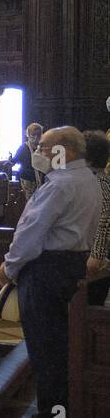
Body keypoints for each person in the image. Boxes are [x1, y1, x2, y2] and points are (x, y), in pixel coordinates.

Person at [0, 126, 101, 418]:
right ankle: (60, 417)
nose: (39, 153)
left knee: (47, 351)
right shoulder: (88, 179)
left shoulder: (60, 185)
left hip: (47, 271)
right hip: (72, 265)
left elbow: (31, 233)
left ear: (66, 150)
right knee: (59, 346)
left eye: (44, 147)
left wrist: (9, 266)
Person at [85, 130, 110, 307]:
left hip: (97, 256)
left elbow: (105, 218)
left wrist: (97, 254)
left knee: (92, 304)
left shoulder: (99, 182)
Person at [11, 122, 45, 201]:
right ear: (28, 135)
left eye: (38, 134)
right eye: (33, 134)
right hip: (27, 180)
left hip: (41, 179)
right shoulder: (23, 148)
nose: (36, 137)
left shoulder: (43, 148)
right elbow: (14, 161)